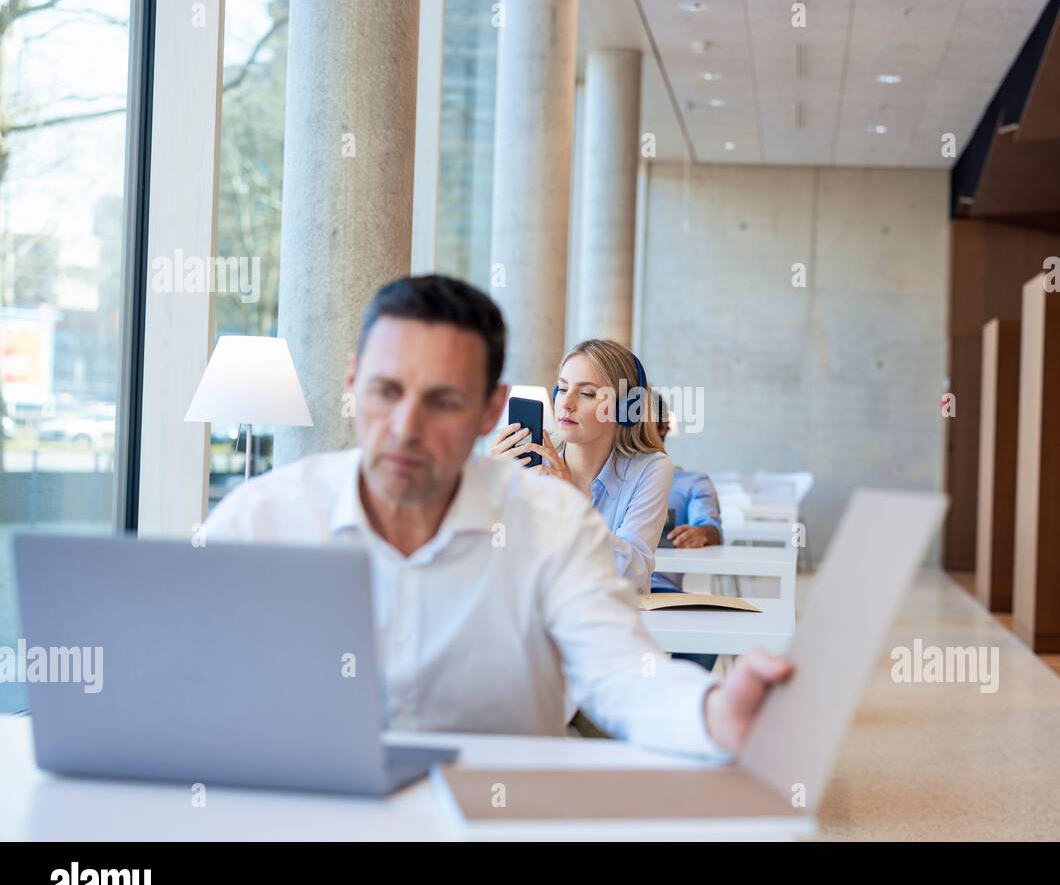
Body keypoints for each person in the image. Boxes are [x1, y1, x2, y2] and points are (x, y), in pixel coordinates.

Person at [200, 275, 791, 758]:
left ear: (489, 410)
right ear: (354, 382)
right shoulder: (260, 521)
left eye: (443, 401)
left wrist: (710, 712)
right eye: (386, 391)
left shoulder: (553, 524)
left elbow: (619, 671)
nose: (406, 428)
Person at [490, 339, 671, 596]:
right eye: (562, 389)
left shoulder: (651, 469)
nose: (567, 403)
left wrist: (570, 504)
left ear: (626, 407)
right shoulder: (530, 460)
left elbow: (632, 573)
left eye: (586, 393)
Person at [650, 396, 724, 672]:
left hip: (660, 590)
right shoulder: (605, 478)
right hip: (608, 590)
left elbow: (712, 529)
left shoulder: (691, 482)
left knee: (708, 629)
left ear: (663, 428)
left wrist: (702, 533)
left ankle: (677, 701)